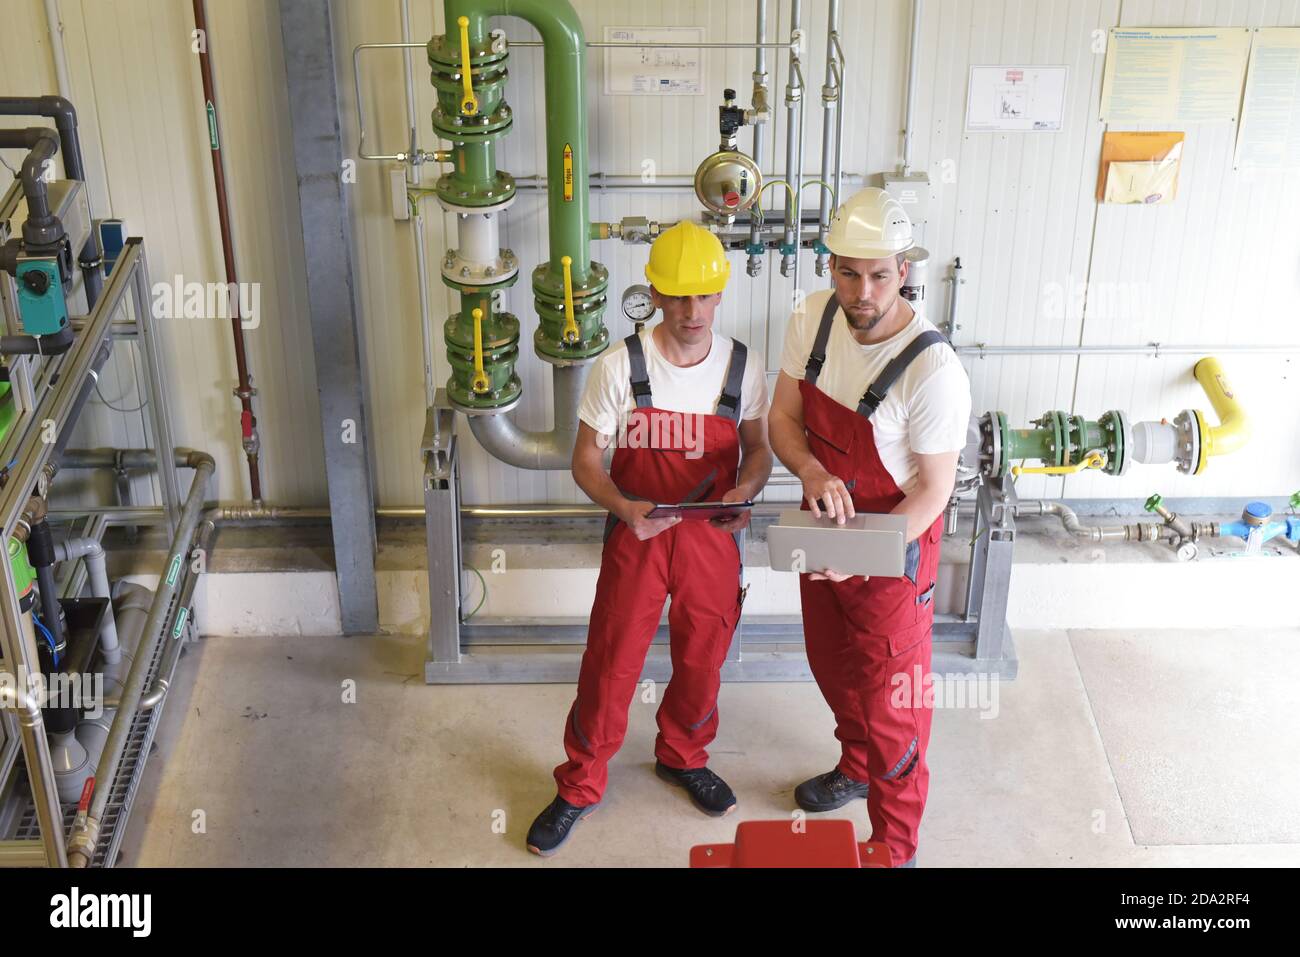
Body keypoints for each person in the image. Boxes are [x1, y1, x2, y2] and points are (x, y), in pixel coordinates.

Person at [527, 220, 773, 857]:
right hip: (637, 533)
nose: (692, 311)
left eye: (704, 296)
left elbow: (758, 450)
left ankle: (683, 754)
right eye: (678, 296)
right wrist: (623, 506)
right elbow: (585, 461)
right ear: (656, 294)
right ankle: (580, 783)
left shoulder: (743, 366)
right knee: (611, 662)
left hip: (710, 538)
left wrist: (745, 492)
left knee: (702, 657)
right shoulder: (620, 364)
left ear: (720, 295)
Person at [768, 187, 972, 868]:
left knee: (894, 711)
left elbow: (934, 489)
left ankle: (894, 845)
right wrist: (809, 471)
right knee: (833, 668)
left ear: (904, 268)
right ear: (829, 266)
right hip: (828, 532)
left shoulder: (931, 369)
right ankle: (854, 765)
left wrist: (866, 552)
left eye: (880, 274)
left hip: (894, 551)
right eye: (848, 272)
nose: (863, 290)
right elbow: (783, 421)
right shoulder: (812, 320)